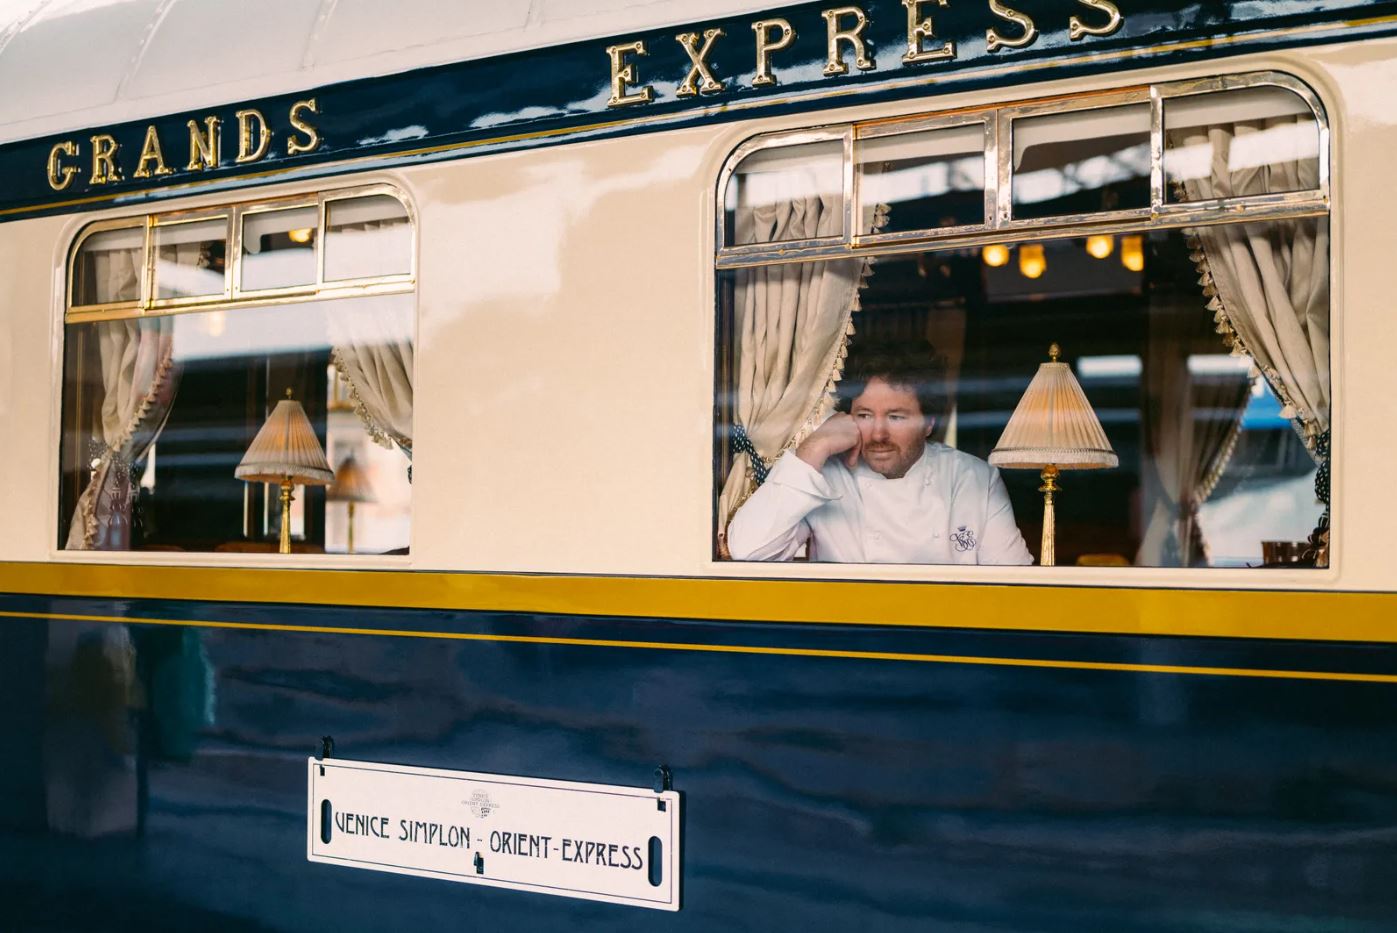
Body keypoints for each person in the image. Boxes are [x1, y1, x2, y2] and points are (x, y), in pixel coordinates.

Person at [727, 341, 1033, 565]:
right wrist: (814, 446)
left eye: (896, 417)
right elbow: (748, 551)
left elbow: (1013, 586)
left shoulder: (975, 479)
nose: (878, 434)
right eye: (864, 415)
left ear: (929, 423)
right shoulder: (825, 476)